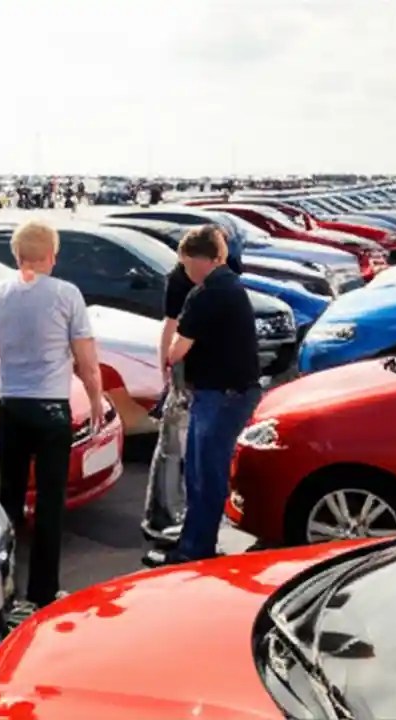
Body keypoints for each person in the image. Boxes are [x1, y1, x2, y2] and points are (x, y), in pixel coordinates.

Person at [0, 219, 105, 614]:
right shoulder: (67, 295)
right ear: (52, 255)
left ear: (17, 257)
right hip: (51, 410)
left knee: (9, 499)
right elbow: (86, 359)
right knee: (50, 503)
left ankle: (4, 591)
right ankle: (43, 593)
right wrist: (96, 399)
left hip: (12, 406)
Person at [145, 225, 261, 567]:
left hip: (220, 394)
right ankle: (194, 538)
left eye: (186, 263)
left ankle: (196, 549)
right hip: (232, 391)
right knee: (202, 471)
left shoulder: (207, 293)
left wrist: (166, 358)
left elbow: (177, 350)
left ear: (201, 260)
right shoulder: (231, 286)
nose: (184, 270)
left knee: (203, 473)